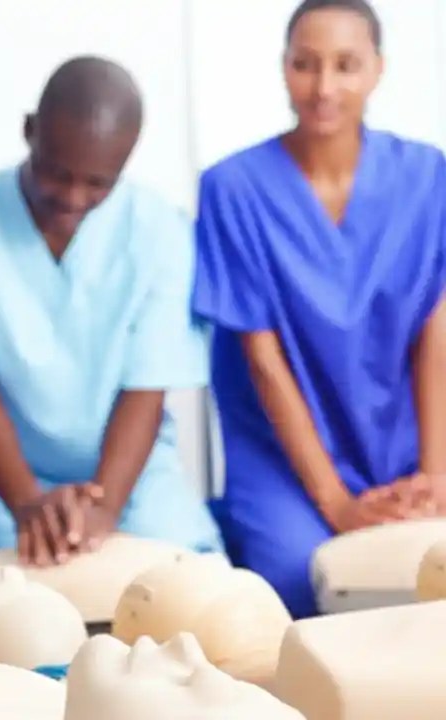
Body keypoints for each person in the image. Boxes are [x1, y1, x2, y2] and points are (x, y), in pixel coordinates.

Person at [0, 56, 223, 600]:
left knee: (200, 578)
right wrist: (26, 503)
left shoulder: (161, 229)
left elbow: (146, 391)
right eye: (57, 173)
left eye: (98, 183)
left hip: (124, 468)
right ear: (29, 131)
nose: (72, 198)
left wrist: (105, 506)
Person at [192, 0, 446, 619]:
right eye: (306, 65)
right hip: (283, 456)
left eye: (345, 65)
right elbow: (262, 360)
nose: (324, 87)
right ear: (283, 68)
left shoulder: (428, 176)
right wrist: (336, 505)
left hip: (403, 442)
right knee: (297, 579)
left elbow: (435, 334)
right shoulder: (233, 188)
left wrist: (435, 477)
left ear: (378, 70)